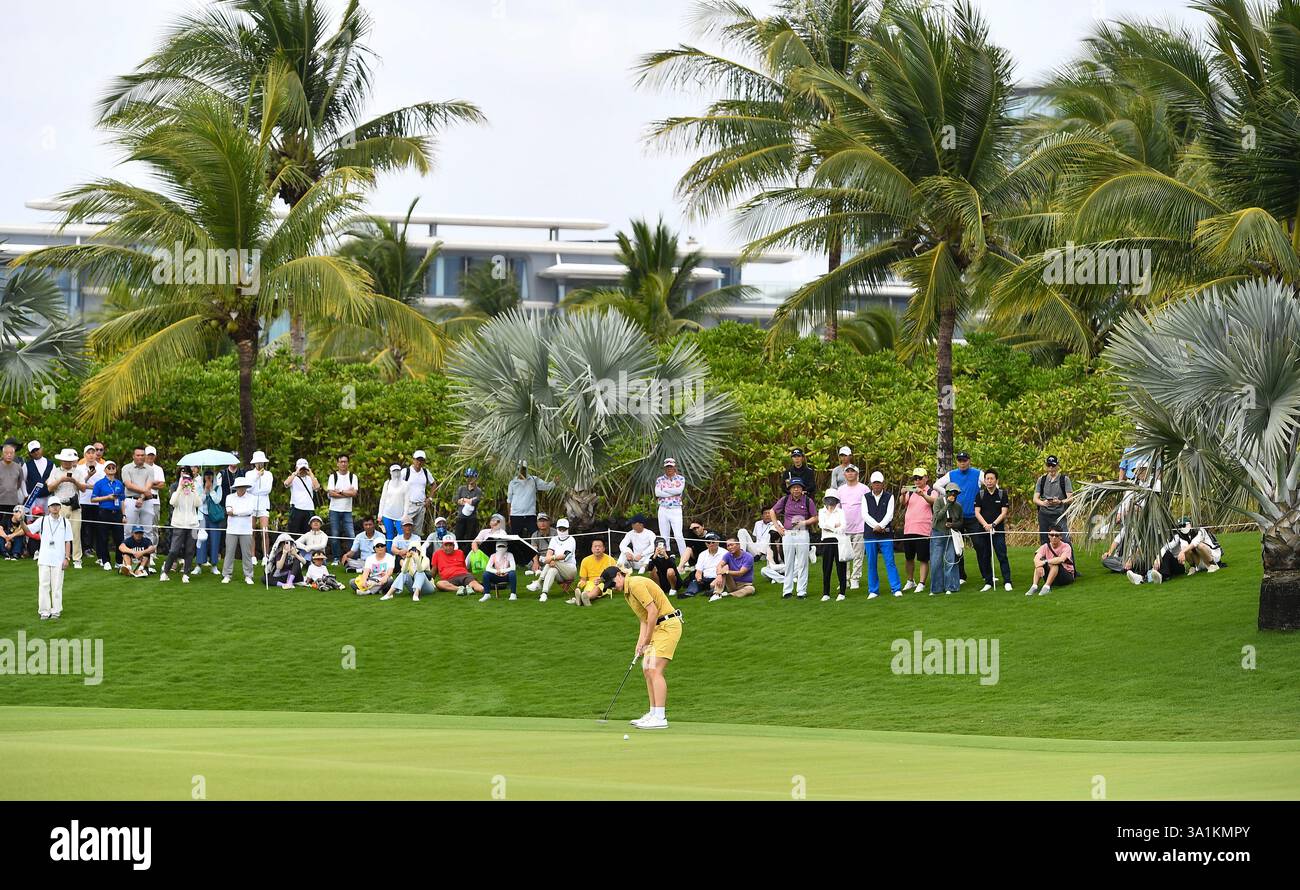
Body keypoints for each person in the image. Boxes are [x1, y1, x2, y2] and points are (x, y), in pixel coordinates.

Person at [598, 565, 682, 731]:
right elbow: (644, 619)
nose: (613, 587)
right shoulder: (627, 594)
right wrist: (640, 642)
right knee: (647, 668)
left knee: (655, 670)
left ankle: (660, 717)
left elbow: (653, 611)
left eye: (612, 583)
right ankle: (653, 713)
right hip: (657, 627)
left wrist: (647, 639)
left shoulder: (635, 583)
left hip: (668, 625)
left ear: (619, 575)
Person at [1131, 518, 1224, 585]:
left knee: (1196, 546)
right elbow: (1179, 546)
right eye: (1179, 526)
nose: (1181, 528)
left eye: (1183, 525)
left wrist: (1182, 552)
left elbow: (1194, 543)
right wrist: (1157, 559)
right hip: (1184, 560)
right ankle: (1141, 576)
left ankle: (1212, 564)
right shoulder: (1181, 536)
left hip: (1210, 555)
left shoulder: (1197, 531)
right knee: (1153, 555)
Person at [935, 451, 982, 583]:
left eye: (964, 460)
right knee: (957, 547)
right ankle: (961, 576)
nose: (962, 463)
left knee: (979, 545)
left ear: (969, 461)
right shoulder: (952, 474)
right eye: (960, 460)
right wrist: (949, 494)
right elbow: (936, 485)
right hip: (956, 516)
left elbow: (992, 484)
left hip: (974, 517)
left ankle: (986, 574)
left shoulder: (978, 473)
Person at [772, 478, 816, 600]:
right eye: (794, 487)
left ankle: (801, 591)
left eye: (798, 487)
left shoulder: (808, 501)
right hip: (788, 534)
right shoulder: (785, 499)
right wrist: (777, 527)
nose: (796, 489)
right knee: (789, 562)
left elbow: (815, 518)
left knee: (803, 562)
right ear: (790, 489)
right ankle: (787, 591)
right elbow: (772, 511)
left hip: (802, 533)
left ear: (802, 489)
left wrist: (803, 522)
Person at [862, 471, 902, 599]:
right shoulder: (865, 497)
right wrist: (876, 526)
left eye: (879, 483)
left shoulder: (889, 496)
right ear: (871, 484)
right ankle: (873, 590)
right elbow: (865, 514)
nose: (877, 485)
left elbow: (890, 514)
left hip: (885, 534)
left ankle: (896, 588)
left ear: (883, 484)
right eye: (875, 483)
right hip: (870, 534)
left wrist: (881, 526)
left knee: (890, 561)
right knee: (871, 562)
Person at [973, 469, 1013, 592]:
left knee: (1002, 555)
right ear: (984, 481)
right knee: (985, 556)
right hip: (983, 530)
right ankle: (988, 581)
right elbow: (977, 512)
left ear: (996, 480)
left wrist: (993, 524)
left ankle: (1007, 581)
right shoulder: (980, 494)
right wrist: (986, 525)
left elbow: (1004, 512)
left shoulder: (1002, 494)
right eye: (987, 479)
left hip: (998, 530)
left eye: (991, 478)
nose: (989, 481)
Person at [33, 497, 72, 620]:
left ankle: (56, 610)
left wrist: (67, 558)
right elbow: (28, 530)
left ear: (60, 507)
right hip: (44, 558)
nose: (55, 507)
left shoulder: (66, 522)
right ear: (48, 508)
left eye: (57, 505)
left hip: (58, 560)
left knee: (57, 586)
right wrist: (22, 520)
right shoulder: (42, 521)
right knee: (44, 585)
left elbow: (68, 541)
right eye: (52, 505)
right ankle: (44, 611)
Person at [160, 470, 202, 583]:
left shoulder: (193, 493)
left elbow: (199, 504)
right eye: (184, 479)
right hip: (178, 524)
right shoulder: (177, 492)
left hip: (193, 525)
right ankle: (165, 572)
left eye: (188, 479)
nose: (186, 482)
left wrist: (194, 490)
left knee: (189, 550)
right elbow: (172, 502)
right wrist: (179, 487)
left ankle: (186, 574)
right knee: (174, 550)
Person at [899, 467, 936, 593]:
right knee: (909, 557)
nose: (917, 480)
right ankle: (910, 580)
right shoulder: (910, 491)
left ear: (926, 478)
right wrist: (903, 493)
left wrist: (923, 494)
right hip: (909, 528)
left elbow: (934, 501)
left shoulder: (931, 491)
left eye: (919, 478)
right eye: (915, 478)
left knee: (923, 558)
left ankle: (921, 582)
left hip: (923, 529)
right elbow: (902, 503)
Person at [121, 447, 158, 560]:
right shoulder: (126, 468)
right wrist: (144, 493)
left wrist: (141, 498)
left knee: (148, 530)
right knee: (128, 530)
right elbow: (129, 485)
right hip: (131, 500)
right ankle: (128, 557)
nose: (140, 457)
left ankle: (147, 558)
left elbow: (149, 485)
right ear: (133, 456)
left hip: (146, 501)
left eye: (142, 455)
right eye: (138, 455)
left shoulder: (149, 469)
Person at [529, 517, 576, 602]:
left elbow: (566, 555)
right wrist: (550, 559)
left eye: (564, 529)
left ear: (567, 529)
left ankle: (539, 581)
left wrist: (552, 558)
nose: (562, 531)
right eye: (560, 529)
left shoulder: (571, 540)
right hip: (557, 570)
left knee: (553, 564)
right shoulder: (554, 539)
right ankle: (544, 593)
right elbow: (549, 552)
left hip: (570, 570)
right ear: (557, 529)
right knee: (552, 570)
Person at [835, 464, 867, 590]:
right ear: (845, 474)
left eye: (852, 471)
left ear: (857, 474)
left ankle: (855, 578)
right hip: (844, 529)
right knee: (844, 556)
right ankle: (845, 579)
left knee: (858, 555)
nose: (850, 473)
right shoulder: (840, 490)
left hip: (860, 527)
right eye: (847, 472)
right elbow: (837, 508)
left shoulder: (864, 489)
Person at [90, 460, 126, 570]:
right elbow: (93, 499)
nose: (111, 469)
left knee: (119, 538)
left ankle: (119, 561)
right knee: (103, 537)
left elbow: (122, 501)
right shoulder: (99, 483)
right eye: (109, 468)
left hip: (117, 513)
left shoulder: (119, 483)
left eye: (113, 467)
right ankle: (105, 561)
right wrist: (107, 498)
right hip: (104, 512)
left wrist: (124, 515)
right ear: (105, 470)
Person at [222, 476, 257, 586]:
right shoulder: (229, 497)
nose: (241, 489)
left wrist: (235, 513)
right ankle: (227, 575)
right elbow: (228, 510)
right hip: (231, 529)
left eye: (243, 487)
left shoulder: (251, 498)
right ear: (236, 488)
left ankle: (248, 575)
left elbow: (249, 511)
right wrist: (236, 512)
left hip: (246, 530)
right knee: (229, 552)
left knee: (247, 554)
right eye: (239, 487)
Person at [930, 483, 964, 595]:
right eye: (951, 493)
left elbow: (960, 522)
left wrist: (953, 524)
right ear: (947, 493)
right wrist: (948, 504)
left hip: (950, 534)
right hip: (938, 533)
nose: (953, 495)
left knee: (950, 560)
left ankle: (951, 586)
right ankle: (936, 588)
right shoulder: (938, 501)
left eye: (955, 493)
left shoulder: (958, 506)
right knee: (936, 561)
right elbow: (938, 517)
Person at [506, 461, 555, 538]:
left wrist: (555, 482)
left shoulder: (534, 480)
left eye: (523, 469)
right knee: (516, 539)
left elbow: (546, 486)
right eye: (519, 469)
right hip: (515, 515)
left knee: (535, 536)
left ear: (526, 469)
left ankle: (536, 549)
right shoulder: (512, 483)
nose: (521, 471)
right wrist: (509, 517)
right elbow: (509, 501)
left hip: (530, 515)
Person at [816, 489, 848, 601]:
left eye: (832, 499)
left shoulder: (840, 512)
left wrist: (830, 526)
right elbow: (821, 525)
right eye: (828, 499)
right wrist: (835, 525)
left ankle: (842, 592)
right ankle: (826, 593)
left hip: (839, 540)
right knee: (826, 567)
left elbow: (843, 526)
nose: (830, 501)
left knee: (841, 566)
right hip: (826, 540)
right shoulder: (821, 511)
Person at [73, 445, 104, 565]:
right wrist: (89, 477)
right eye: (88, 453)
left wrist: (88, 486)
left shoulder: (102, 468)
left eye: (93, 452)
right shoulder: (79, 468)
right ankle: (82, 551)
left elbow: (102, 485)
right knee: (81, 528)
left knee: (98, 528)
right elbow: (79, 485)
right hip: (83, 501)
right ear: (85, 455)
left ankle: (100, 554)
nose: (91, 455)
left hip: (98, 501)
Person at [1033, 456, 1073, 545]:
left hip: (1059, 515)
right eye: (1049, 465)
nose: (1051, 468)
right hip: (1044, 515)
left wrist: (1060, 501)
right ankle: (1045, 559)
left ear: (1057, 466)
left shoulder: (1064, 479)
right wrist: (1043, 503)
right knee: (1044, 542)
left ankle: (1069, 559)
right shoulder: (1041, 480)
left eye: (1053, 465)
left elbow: (1071, 498)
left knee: (1065, 540)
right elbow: (1035, 499)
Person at [325, 455, 358, 565]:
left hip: (347, 510)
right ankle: (336, 558)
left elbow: (354, 493)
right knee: (334, 535)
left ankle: (353, 557)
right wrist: (346, 493)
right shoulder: (333, 476)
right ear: (337, 463)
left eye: (345, 462)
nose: (343, 464)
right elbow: (330, 493)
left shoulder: (353, 477)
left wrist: (340, 491)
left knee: (351, 535)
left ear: (348, 463)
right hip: (334, 509)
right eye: (341, 462)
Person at [654, 458, 688, 560]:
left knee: (678, 535)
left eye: (671, 467)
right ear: (665, 468)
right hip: (663, 508)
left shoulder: (681, 479)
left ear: (674, 467)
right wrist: (672, 491)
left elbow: (679, 491)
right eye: (667, 467)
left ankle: (684, 559)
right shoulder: (660, 479)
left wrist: (664, 490)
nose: (669, 468)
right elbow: (657, 493)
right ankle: (667, 557)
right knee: (664, 535)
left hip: (676, 509)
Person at [1027, 526, 1075, 596]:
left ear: (1060, 537)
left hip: (1066, 576)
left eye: (1057, 535)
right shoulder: (1045, 546)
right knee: (1040, 561)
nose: (1054, 537)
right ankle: (1034, 586)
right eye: (1052, 535)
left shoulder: (1066, 546)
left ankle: (1046, 587)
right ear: (1048, 536)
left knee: (1054, 563)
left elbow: (1061, 559)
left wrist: (1044, 562)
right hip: (1052, 575)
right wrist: (1038, 566)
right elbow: (1036, 558)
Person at [194, 469, 225, 575]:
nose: (208, 477)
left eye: (210, 475)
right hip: (202, 515)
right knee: (201, 540)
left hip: (214, 517)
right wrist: (204, 491)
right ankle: (198, 565)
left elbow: (217, 500)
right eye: (206, 475)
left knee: (215, 540)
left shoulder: (218, 487)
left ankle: (214, 565)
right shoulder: (198, 486)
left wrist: (211, 489)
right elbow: (198, 502)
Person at [569, 537, 616, 606]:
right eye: (595, 546)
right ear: (591, 549)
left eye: (599, 546)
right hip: (591, 582)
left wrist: (602, 579)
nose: (597, 548)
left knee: (598, 588)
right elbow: (583, 579)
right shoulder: (585, 560)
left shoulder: (610, 560)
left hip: (605, 582)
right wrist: (580, 585)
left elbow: (614, 576)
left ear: (603, 549)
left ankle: (583, 599)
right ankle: (584, 598)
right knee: (588, 589)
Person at [709, 537, 756, 602]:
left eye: (732, 545)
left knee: (751, 589)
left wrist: (727, 572)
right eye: (728, 546)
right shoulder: (728, 555)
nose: (730, 547)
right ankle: (717, 594)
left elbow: (741, 573)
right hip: (732, 583)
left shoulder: (748, 557)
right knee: (723, 569)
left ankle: (728, 595)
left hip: (745, 584)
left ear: (738, 545)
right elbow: (719, 565)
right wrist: (719, 574)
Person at [248, 451, 274, 563]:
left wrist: (257, 491)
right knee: (252, 530)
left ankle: (265, 556)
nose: (260, 464)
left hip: (264, 504)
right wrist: (257, 477)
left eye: (262, 462)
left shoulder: (269, 474)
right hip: (252, 504)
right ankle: (253, 556)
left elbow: (267, 490)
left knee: (265, 531)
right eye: (258, 462)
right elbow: (248, 488)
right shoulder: (249, 474)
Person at [403, 450, 437, 537]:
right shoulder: (406, 471)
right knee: (405, 530)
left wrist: (430, 499)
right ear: (413, 459)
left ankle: (415, 549)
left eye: (421, 460)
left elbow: (434, 484)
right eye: (417, 459)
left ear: (424, 461)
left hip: (421, 506)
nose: (419, 462)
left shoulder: (425, 472)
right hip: (409, 505)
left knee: (417, 533)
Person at [681, 532, 724, 598]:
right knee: (694, 582)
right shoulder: (702, 554)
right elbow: (698, 571)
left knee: (720, 582)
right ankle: (689, 593)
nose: (711, 544)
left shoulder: (724, 553)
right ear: (706, 544)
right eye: (708, 542)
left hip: (718, 577)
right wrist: (699, 578)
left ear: (718, 542)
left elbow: (725, 569)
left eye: (713, 542)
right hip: (705, 578)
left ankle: (713, 591)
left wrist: (718, 577)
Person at [283, 458, 320, 536]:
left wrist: (311, 474)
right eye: (301, 468)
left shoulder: (311, 478)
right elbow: (286, 483)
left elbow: (317, 487)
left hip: (309, 509)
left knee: (308, 534)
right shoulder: (294, 478)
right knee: (294, 533)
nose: (303, 470)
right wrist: (296, 472)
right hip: (296, 508)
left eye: (304, 468)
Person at [377, 465, 407, 549]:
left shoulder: (405, 484)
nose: (396, 473)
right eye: (394, 471)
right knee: (389, 536)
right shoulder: (387, 483)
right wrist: (380, 514)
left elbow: (407, 501)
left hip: (400, 516)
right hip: (387, 514)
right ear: (390, 472)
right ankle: (390, 556)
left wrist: (405, 515)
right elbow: (383, 499)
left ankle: (401, 556)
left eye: (398, 471)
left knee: (401, 535)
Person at [0, 443, 25, 538]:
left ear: (14, 454)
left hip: (13, 501)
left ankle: (10, 546)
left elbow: (20, 483)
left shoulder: (18, 467)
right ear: (3, 454)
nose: (9, 455)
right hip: (1, 500)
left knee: (11, 525)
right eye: (6, 453)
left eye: (11, 453)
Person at [452, 468, 483, 543]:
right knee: (458, 538)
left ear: (476, 477)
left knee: (470, 539)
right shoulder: (461, 489)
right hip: (461, 517)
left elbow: (474, 502)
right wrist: (465, 500)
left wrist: (463, 499)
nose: (470, 479)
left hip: (472, 518)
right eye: (468, 477)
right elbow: (455, 499)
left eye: (472, 477)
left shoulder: (478, 490)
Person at [23, 441, 52, 516]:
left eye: (37, 449)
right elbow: (23, 481)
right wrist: (26, 495)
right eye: (33, 451)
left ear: (41, 449)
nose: (36, 452)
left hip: (47, 497)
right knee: (32, 519)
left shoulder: (50, 464)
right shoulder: (26, 465)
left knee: (47, 519)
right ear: (30, 453)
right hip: (33, 498)